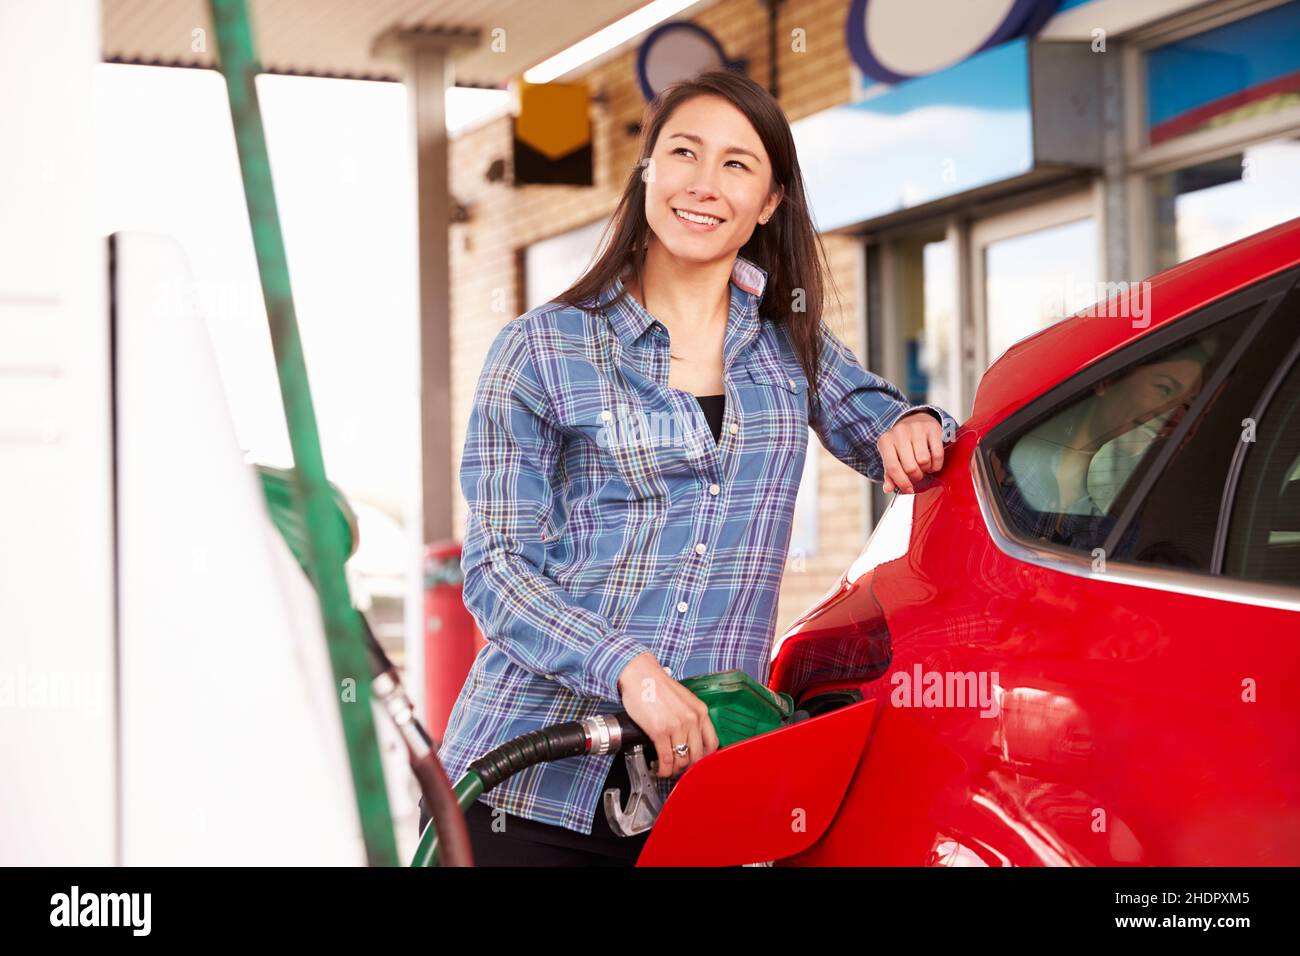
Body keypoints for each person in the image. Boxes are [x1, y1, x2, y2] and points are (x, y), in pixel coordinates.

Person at [425, 69, 958, 866]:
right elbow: (498, 569)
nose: (704, 185)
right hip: (527, 781)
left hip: (697, 791)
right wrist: (628, 670)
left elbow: (885, 422)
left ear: (770, 201)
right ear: (648, 172)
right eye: (684, 153)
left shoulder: (791, 345)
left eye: (738, 164)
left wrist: (913, 424)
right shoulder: (542, 348)